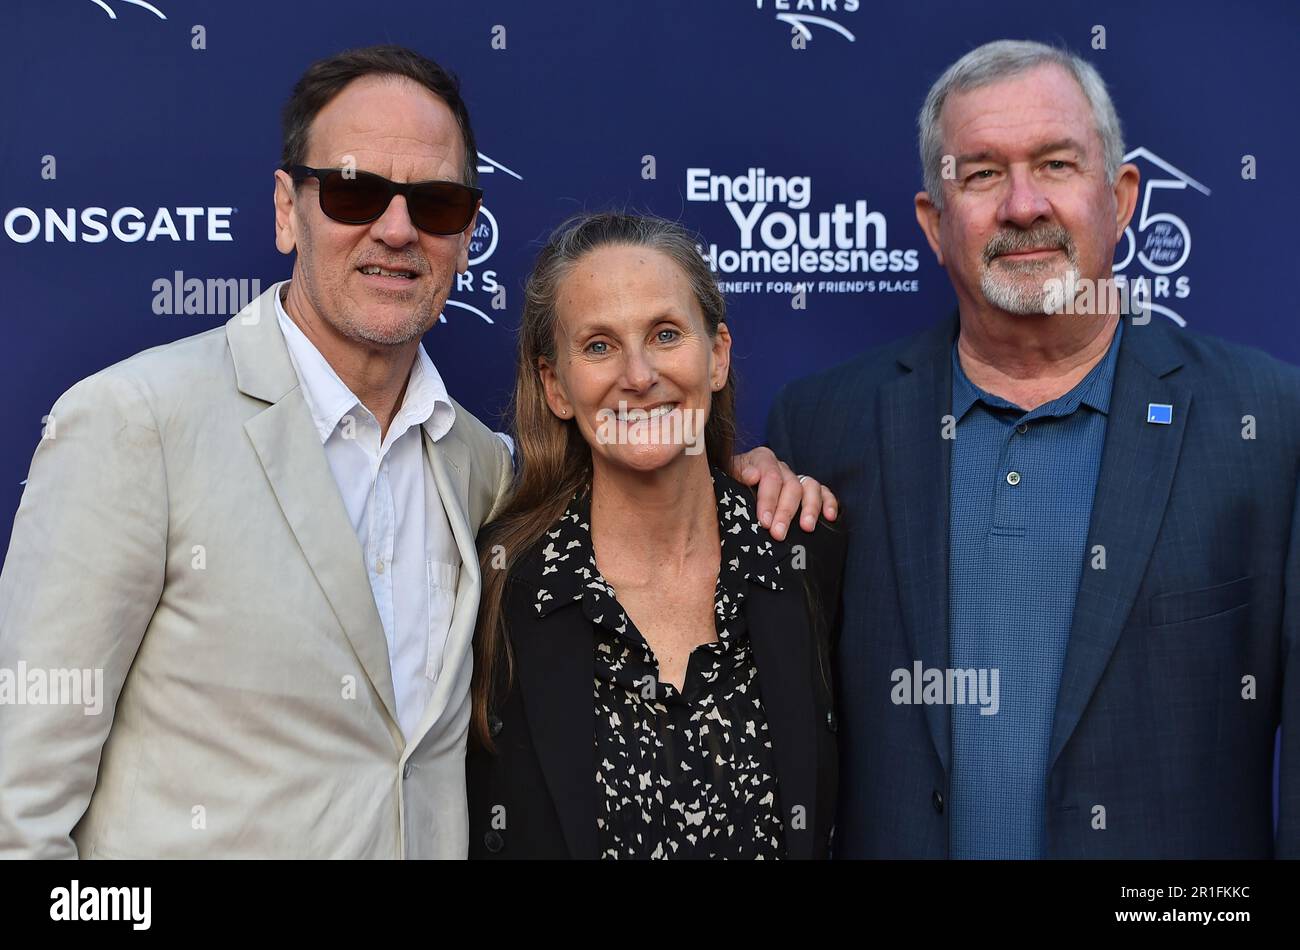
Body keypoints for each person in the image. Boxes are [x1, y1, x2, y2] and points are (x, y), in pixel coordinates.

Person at [0, 46, 828, 859]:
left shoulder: (485, 471)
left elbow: (645, 475)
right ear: (289, 210)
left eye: (433, 203)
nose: (396, 229)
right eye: (357, 192)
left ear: (467, 234)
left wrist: (744, 473)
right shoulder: (133, 423)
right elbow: (17, 806)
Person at [768, 39, 1300, 858]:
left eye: (1056, 165)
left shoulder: (1267, 423)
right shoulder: (823, 426)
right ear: (933, 222)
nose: (1022, 206)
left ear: (1121, 198)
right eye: (980, 173)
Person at [466, 213, 845, 859]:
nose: (638, 375)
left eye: (666, 334)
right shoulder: (494, 587)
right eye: (598, 345)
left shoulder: (809, 556)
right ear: (555, 385)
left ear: (717, 355)